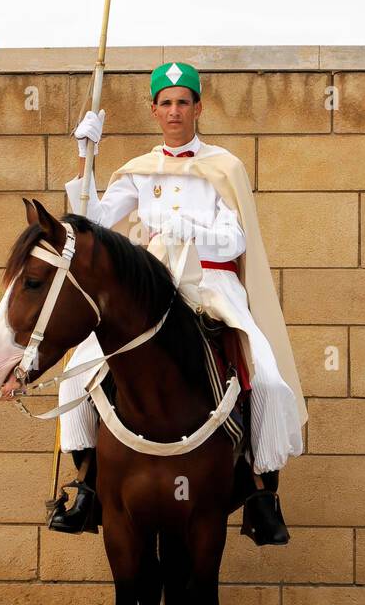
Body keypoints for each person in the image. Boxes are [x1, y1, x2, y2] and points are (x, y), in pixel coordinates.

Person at [49, 61, 306, 545]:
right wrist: (86, 160)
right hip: (154, 286)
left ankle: (260, 493)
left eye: (182, 102)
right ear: (153, 111)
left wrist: (193, 232)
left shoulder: (223, 166)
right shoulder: (140, 172)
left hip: (211, 283)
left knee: (268, 377)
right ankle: (85, 485)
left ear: (198, 107)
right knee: (78, 372)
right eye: (165, 103)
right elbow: (90, 223)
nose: (174, 111)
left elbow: (234, 239)